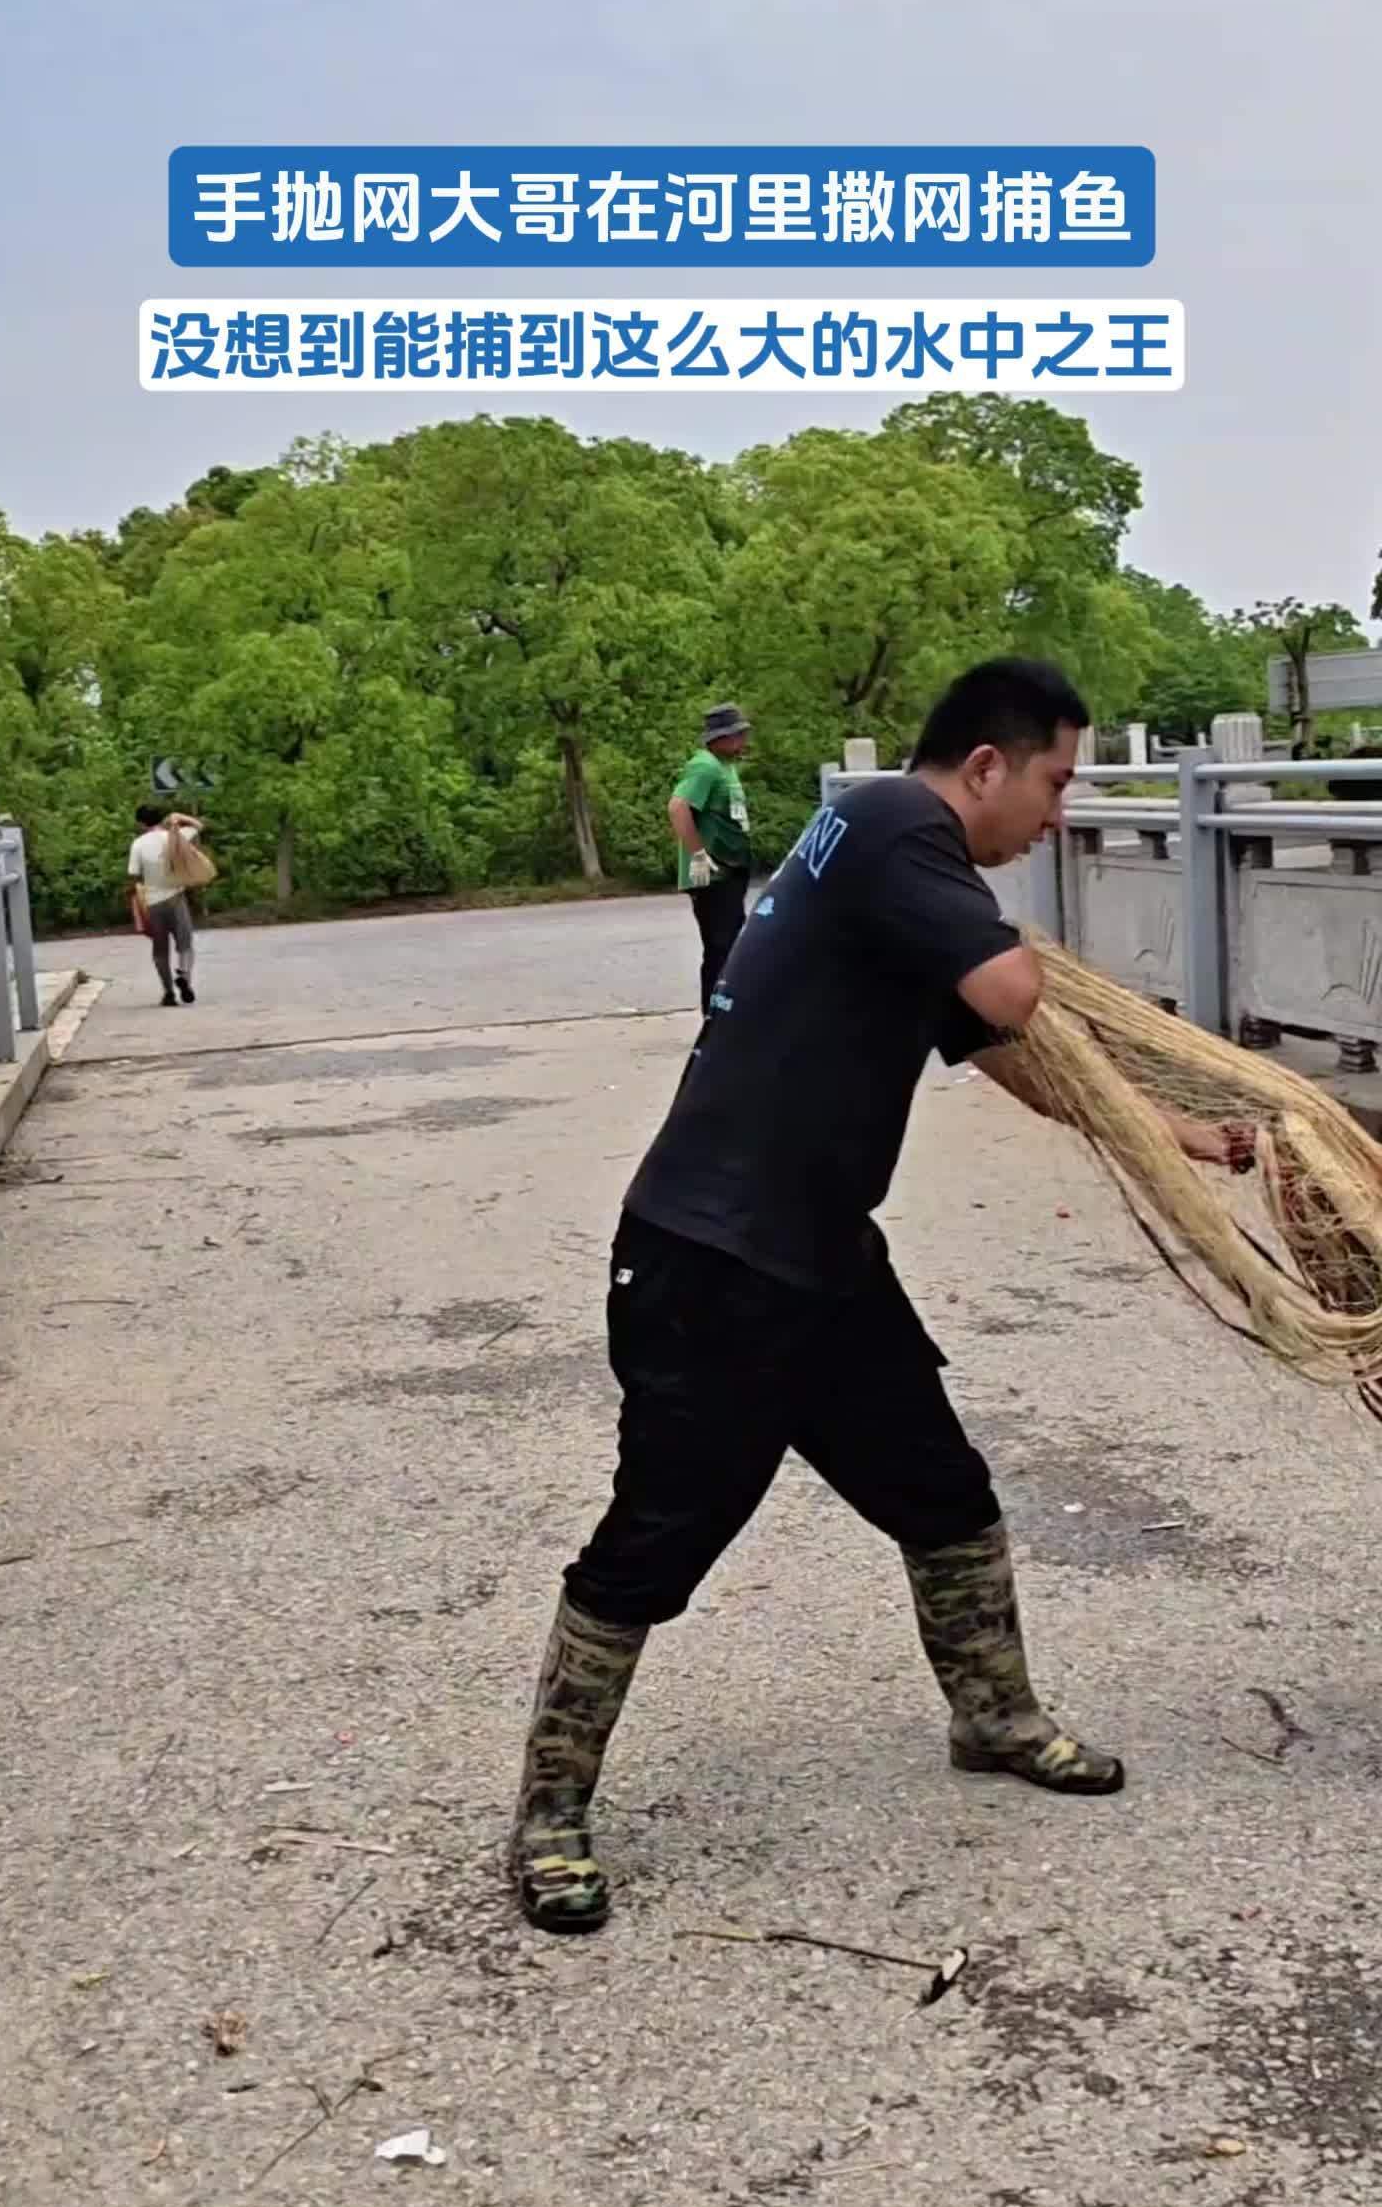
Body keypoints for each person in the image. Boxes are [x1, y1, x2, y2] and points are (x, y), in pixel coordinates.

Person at [508, 657, 1252, 1936]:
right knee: (657, 1538)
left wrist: (1177, 1133)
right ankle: (548, 1812)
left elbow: (1005, 1051)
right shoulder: (903, 824)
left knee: (943, 1494)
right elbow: (1016, 992)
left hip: (822, 1257)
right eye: (1055, 782)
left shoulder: (881, 851)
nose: (1059, 815)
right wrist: (1040, 967)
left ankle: (994, 1715)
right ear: (986, 767)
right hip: (713, 1262)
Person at [668, 703, 752, 1014]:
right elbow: (678, 807)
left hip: (731, 870)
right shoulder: (704, 766)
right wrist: (698, 854)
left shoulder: (726, 767)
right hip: (713, 873)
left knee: (732, 947)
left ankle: (728, 1012)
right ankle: (714, 1015)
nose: (743, 740)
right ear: (722, 738)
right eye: (739, 735)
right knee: (721, 948)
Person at [128, 805, 203, 1007]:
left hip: (153, 903)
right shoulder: (175, 837)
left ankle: (168, 993)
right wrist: (179, 816)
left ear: (141, 823)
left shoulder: (138, 844)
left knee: (160, 951)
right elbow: (198, 825)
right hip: (176, 898)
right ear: (161, 819)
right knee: (185, 945)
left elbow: (134, 874)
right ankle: (184, 976)